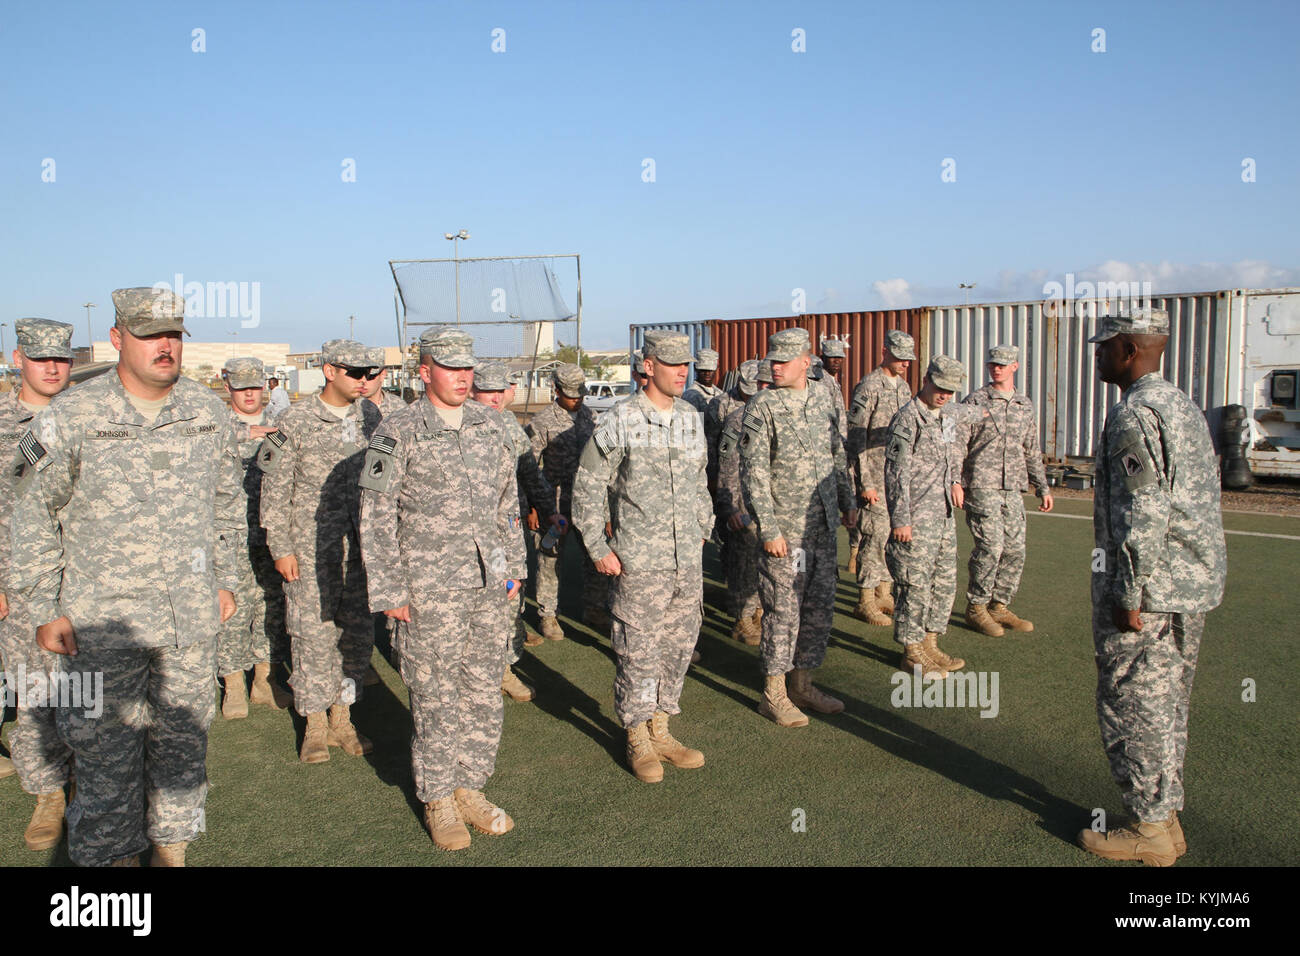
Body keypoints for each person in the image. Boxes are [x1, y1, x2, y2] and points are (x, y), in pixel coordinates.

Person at [10, 287, 242, 867]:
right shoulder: (72, 416)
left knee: (183, 747)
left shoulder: (207, 412)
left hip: (188, 618)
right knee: (104, 752)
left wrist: (227, 579)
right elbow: (32, 513)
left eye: (173, 336)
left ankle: (171, 850)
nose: (164, 347)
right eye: (148, 335)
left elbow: (226, 503)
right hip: (100, 624)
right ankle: (111, 863)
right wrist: (44, 607)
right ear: (117, 339)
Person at [358, 327, 524, 851]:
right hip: (429, 590)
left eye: (467, 368)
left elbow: (506, 503)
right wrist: (390, 588)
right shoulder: (396, 430)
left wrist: (513, 568)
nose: (462, 377)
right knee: (434, 694)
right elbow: (376, 515)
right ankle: (437, 797)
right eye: (450, 368)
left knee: (481, 689)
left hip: (488, 585)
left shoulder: (491, 424)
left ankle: (470, 786)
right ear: (425, 371)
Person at [1077, 309, 1226, 867]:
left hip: (1153, 590)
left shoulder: (1133, 414)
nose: (1097, 355)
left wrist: (1129, 592)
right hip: (1189, 585)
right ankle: (1166, 814)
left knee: (1134, 704)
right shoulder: (1181, 406)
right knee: (1167, 705)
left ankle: (1150, 828)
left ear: (1131, 350)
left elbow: (1145, 507)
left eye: (1105, 347)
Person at [571, 329, 713, 783]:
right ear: (647, 366)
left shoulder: (692, 417)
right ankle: (636, 734)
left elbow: (700, 481)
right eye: (671, 364)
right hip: (640, 560)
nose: (681, 372)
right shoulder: (622, 418)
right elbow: (589, 484)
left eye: (685, 364)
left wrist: (703, 530)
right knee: (638, 650)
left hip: (686, 559)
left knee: (678, 647)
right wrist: (597, 546)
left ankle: (662, 728)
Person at [259, 339, 381, 763]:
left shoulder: (372, 417)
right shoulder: (294, 420)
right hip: (310, 549)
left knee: (355, 636)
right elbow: (273, 489)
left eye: (370, 373)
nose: (365, 380)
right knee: (310, 636)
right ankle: (313, 723)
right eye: (355, 372)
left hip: (360, 549)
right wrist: (281, 546)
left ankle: (343, 718)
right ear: (329, 371)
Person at [740, 328, 856, 728]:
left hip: (820, 526)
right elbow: (752, 473)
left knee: (818, 609)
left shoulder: (824, 399)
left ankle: (802, 684)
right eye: (772, 360)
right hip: (784, 534)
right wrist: (768, 529)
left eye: (783, 361)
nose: (774, 366)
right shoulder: (762, 406)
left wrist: (848, 501)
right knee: (783, 611)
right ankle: (773, 693)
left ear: (805, 363)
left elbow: (836, 454)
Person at [0, 318, 74, 851]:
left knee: (93, 691)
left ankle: (93, 781)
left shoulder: (89, 418)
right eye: (41, 357)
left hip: (92, 580)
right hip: (22, 581)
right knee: (33, 690)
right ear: (18, 356)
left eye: (62, 358)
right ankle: (49, 791)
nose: (52, 367)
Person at [883, 355, 987, 678]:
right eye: (939, 387)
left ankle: (930, 643)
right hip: (915, 516)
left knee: (942, 583)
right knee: (913, 584)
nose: (944, 395)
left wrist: (955, 480)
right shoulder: (906, 420)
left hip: (941, 515)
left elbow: (950, 453)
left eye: (950, 391)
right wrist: (900, 519)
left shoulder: (945, 416)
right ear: (926, 378)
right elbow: (895, 473)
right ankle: (912, 652)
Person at [470, 361, 560, 702]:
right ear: (473, 390)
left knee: (509, 601)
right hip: (461, 537)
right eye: (486, 391)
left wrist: (549, 511)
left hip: (505, 530)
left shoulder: (508, 424)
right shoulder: (455, 424)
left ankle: (504, 669)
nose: (494, 398)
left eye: (499, 391)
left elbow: (529, 473)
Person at [956, 345, 1053, 636]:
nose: (995, 368)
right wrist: (954, 480)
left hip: (1013, 486)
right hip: (981, 483)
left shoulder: (1025, 405)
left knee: (1014, 550)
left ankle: (999, 605)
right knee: (990, 547)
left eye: (1002, 364)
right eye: (992, 364)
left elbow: (1031, 449)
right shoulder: (974, 401)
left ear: (1015, 366)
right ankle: (977, 607)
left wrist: (1043, 487)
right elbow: (958, 442)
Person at [216, 357, 289, 718]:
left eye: (255, 387)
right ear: (227, 386)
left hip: (268, 534)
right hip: (229, 536)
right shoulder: (214, 425)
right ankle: (233, 685)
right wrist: (246, 434)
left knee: (269, 605)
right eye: (241, 387)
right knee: (231, 608)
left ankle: (264, 679)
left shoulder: (279, 425)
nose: (249, 395)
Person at [526, 364, 605, 639]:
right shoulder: (542, 421)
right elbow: (530, 467)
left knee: (594, 555)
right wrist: (535, 506)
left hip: (586, 501)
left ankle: (594, 608)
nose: (577, 398)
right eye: (571, 394)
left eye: (580, 393)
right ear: (556, 390)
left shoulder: (590, 417)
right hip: (554, 502)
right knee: (550, 560)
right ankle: (548, 615)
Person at [847, 330, 915, 626]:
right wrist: (865, 483)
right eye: (899, 357)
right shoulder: (869, 386)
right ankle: (864, 598)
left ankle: (883, 591)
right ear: (885, 352)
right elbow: (856, 436)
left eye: (908, 359)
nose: (904, 363)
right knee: (873, 536)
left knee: (890, 537)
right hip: (872, 476)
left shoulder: (903, 387)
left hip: (893, 478)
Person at [714, 359, 768, 644]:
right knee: (743, 564)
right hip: (745, 507)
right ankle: (742, 620)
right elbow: (727, 467)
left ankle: (760, 611)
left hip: (770, 507)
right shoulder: (738, 420)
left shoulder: (777, 418)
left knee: (765, 563)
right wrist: (731, 507)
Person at [682, 348, 722, 414]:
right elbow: (692, 423)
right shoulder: (691, 396)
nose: (707, 373)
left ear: (716, 368)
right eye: (703, 370)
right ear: (695, 368)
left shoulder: (719, 393)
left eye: (710, 370)